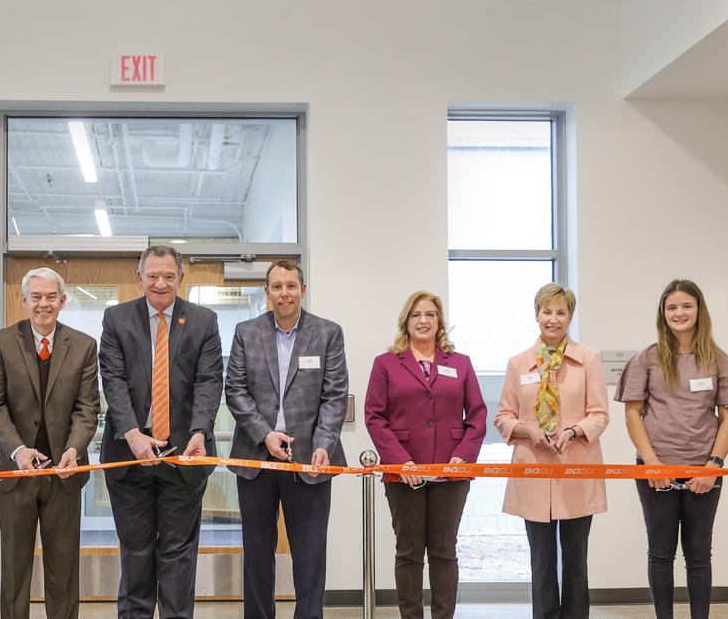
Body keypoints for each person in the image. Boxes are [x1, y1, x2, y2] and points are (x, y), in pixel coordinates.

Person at [99, 245, 223, 619]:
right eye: (152, 275)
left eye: (169, 276)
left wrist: (200, 431)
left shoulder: (203, 320)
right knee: (135, 552)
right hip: (129, 455)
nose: (160, 283)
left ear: (180, 278)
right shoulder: (117, 319)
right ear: (140, 277)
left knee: (178, 553)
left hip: (184, 454)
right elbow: (113, 379)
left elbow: (208, 381)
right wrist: (132, 433)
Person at [615, 279, 728, 619]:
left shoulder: (720, 361)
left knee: (699, 554)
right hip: (654, 469)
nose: (679, 313)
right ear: (663, 313)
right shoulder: (646, 359)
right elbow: (632, 415)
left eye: (686, 306)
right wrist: (652, 463)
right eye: (672, 307)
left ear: (699, 310)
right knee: (660, 553)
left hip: (705, 470)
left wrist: (713, 465)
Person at [225, 260, 348, 619]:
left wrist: (324, 444)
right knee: (257, 556)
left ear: (303, 290)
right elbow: (235, 390)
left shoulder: (327, 333)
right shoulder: (246, 332)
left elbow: (334, 396)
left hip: (310, 460)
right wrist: (265, 434)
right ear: (267, 292)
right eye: (277, 287)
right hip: (256, 459)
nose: (284, 293)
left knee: (310, 557)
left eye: (291, 286)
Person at [0, 267, 100, 619]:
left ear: (62, 301)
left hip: (64, 473)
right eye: (36, 296)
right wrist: (18, 450)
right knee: (14, 569)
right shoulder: (1, 342)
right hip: (14, 472)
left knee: (63, 568)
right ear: (24, 300)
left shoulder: (83, 345)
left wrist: (74, 450)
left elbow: (88, 408)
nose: (43, 304)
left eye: (51, 297)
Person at [364, 290, 487, 619]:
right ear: (406, 321)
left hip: (451, 472)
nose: (423, 320)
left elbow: (477, 415)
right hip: (404, 473)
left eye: (430, 314)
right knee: (409, 552)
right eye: (416, 315)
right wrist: (401, 461)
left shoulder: (460, 363)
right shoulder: (386, 363)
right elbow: (374, 416)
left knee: (444, 551)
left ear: (439, 321)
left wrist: (462, 457)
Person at [493, 283, 608, 619]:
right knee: (541, 562)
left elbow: (599, 414)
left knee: (575, 560)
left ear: (570, 317)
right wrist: (528, 430)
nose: (553, 319)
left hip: (576, 467)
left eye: (561, 312)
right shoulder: (518, 363)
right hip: (532, 468)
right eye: (547, 311)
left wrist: (573, 431)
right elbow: (503, 416)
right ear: (536, 315)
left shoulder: (589, 359)